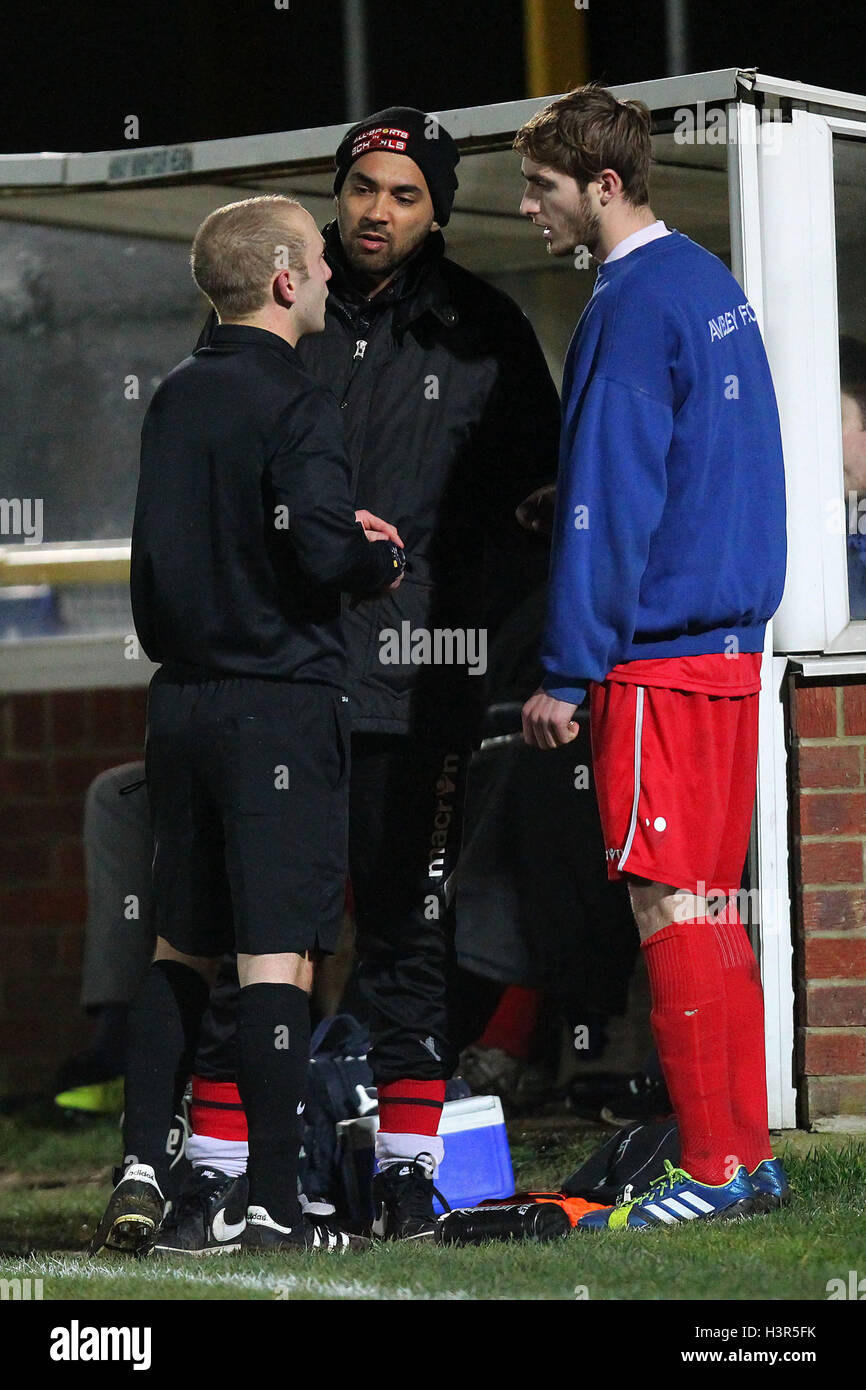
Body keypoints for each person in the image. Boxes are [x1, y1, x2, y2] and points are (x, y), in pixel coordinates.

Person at [152, 106, 560, 1250]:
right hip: (282, 685)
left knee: (405, 938)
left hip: (418, 686)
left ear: (438, 207)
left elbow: (541, 502)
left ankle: (404, 1169)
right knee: (262, 935)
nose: (375, 212)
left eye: (403, 194)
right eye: (361, 189)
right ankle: (221, 1167)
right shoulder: (281, 315)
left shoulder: (484, 330)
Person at [90, 194, 405, 1256]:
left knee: (180, 945)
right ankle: (273, 1200)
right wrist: (377, 556)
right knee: (278, 960)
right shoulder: (297, 399)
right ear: (283, 279)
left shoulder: (175, 394)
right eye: (317, 260)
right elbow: (322, 556)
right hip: (278, 707)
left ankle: (142, 1162)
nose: (328, 273)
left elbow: (175, 556)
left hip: (181, 704)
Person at [515, 83, 791, 1229]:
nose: (528, 208)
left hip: (657, 660)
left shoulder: (626, 303)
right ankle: (744, 1157)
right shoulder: (708, 281)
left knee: (669, 910)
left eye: (539, 188)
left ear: (602, 186)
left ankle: (716, 1171)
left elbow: (617, 502)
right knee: (709, 907)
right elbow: (701, 468)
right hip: (727, 650)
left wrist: (565, 669)